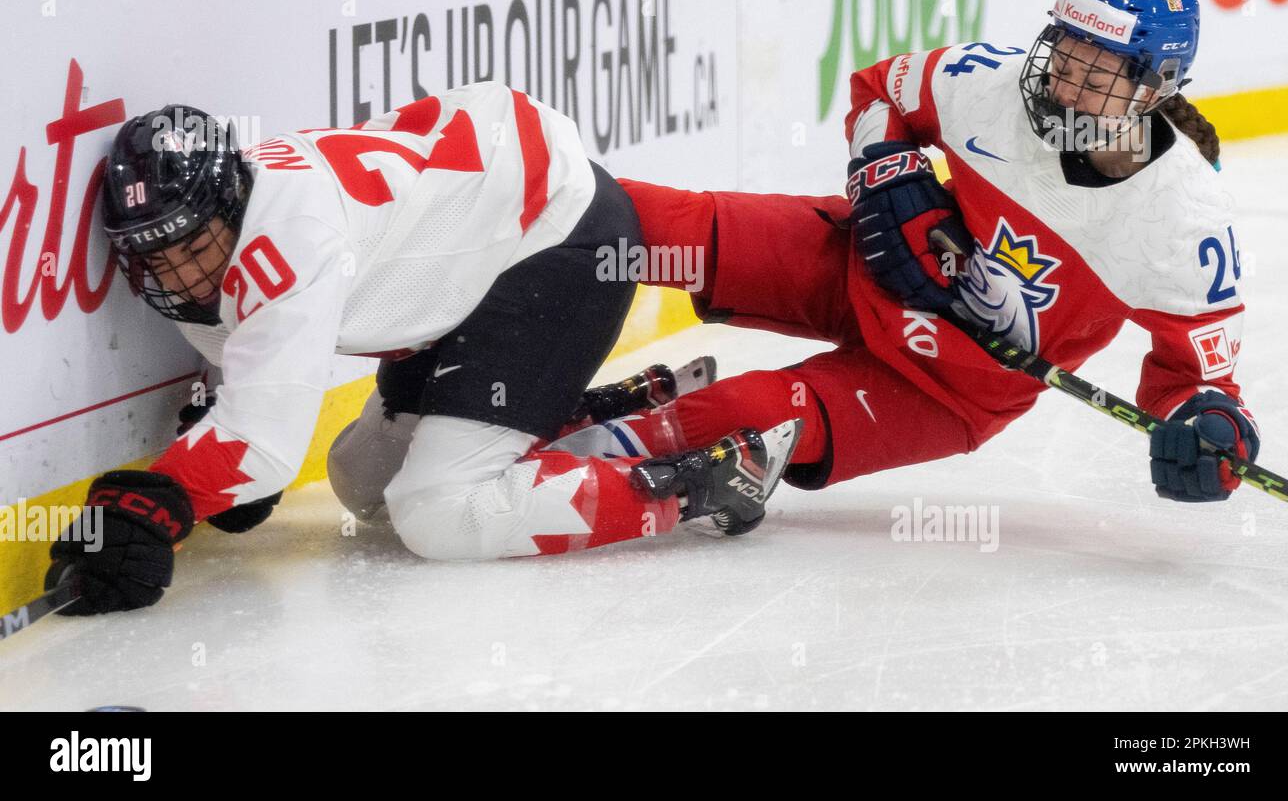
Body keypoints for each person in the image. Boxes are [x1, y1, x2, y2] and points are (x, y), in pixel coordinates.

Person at [48, 81, 800, 615]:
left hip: (553, 241)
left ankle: (695, 485)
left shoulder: (286, 243)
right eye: (157, 256)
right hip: (467, 264)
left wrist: (150, 506)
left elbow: (263, 442)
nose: (184, 275)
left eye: (196, 246)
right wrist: (211, 473)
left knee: (438, 513)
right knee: (357, 481)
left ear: (232, 206)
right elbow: (250, 407)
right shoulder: (242, 214)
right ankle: (567, 415)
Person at [599, 0, 1260, 506]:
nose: (1062, 87)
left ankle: (573, 461)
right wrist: (885, 167)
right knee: (657, 225)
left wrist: (1211, 429)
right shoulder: (990, 81)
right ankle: (532, 209)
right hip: (869, 263)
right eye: (1062, 58)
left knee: (742, 412)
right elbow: (877, 90)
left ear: (1154, 87)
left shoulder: (1184, 225)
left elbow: (1200, 386)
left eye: (1093, 75)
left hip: (945, 390)